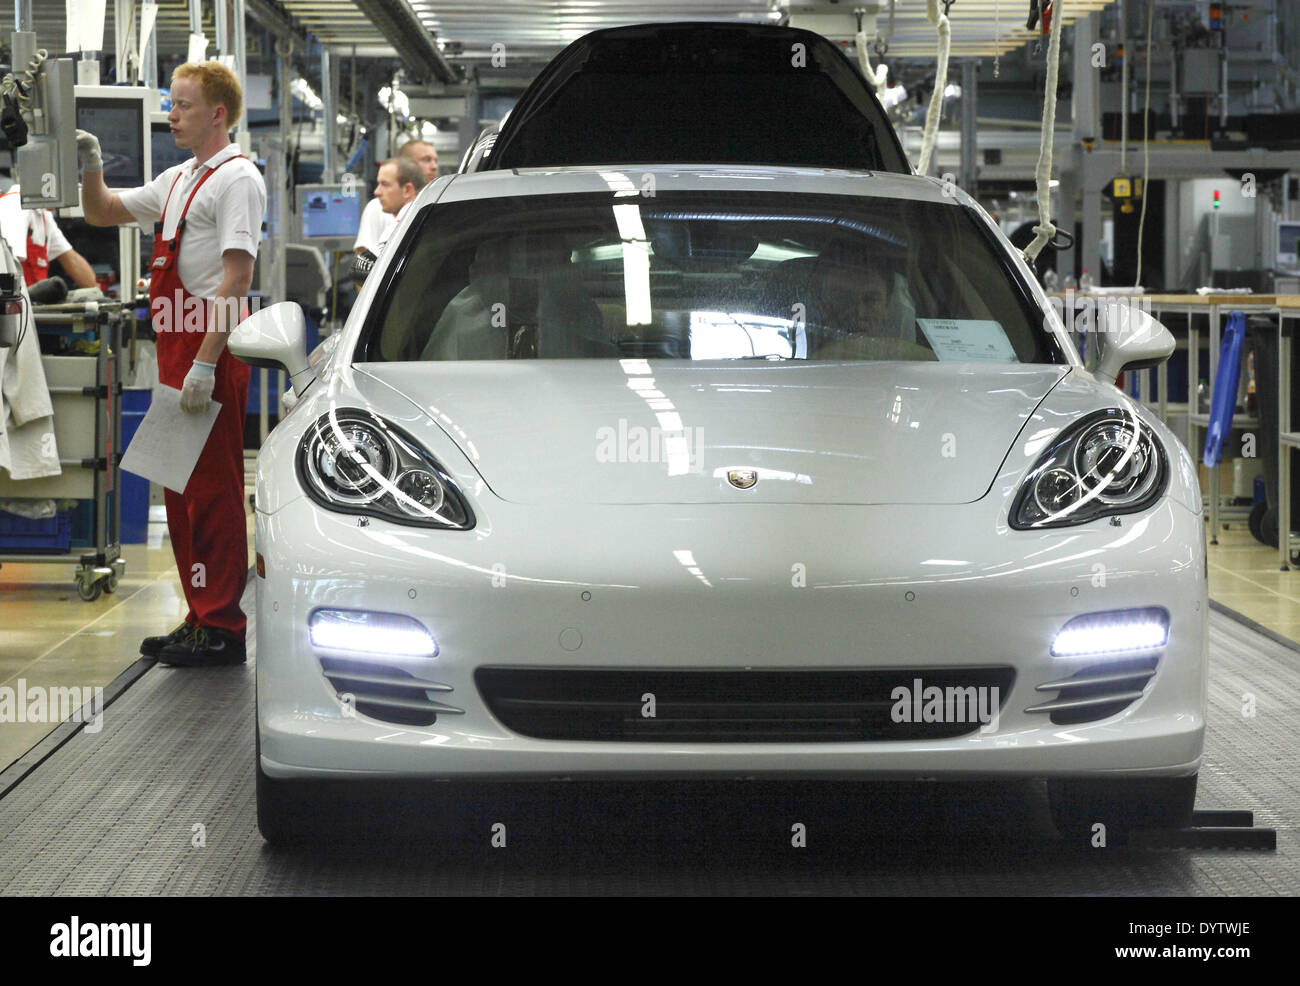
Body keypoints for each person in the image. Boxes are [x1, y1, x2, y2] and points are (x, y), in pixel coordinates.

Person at [77, 60, 267, 667]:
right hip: (175, 353)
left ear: (217, 113)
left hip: (208, 352)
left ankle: (223, 625)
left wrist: (206, 364)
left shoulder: (237, 179)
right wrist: (89, 160)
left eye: (182, 105)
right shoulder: (181, 177)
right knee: (179, 489)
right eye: (170, 103)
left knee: (212, 492)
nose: (170, 115)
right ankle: (198, 615)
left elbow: (237, 278)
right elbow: (103, 211)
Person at [0, 182, 98, 289]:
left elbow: (72, 260)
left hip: (32, 302)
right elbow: (9, 269)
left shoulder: (43, 214)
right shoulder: (14, 205)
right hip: (17, 300)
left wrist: (97, 294)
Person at [353, 139, 437, 257]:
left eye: (435, 160)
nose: (434, 166)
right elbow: (363, 260)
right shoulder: (377, 207)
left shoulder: (435, 206)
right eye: (426, 160)